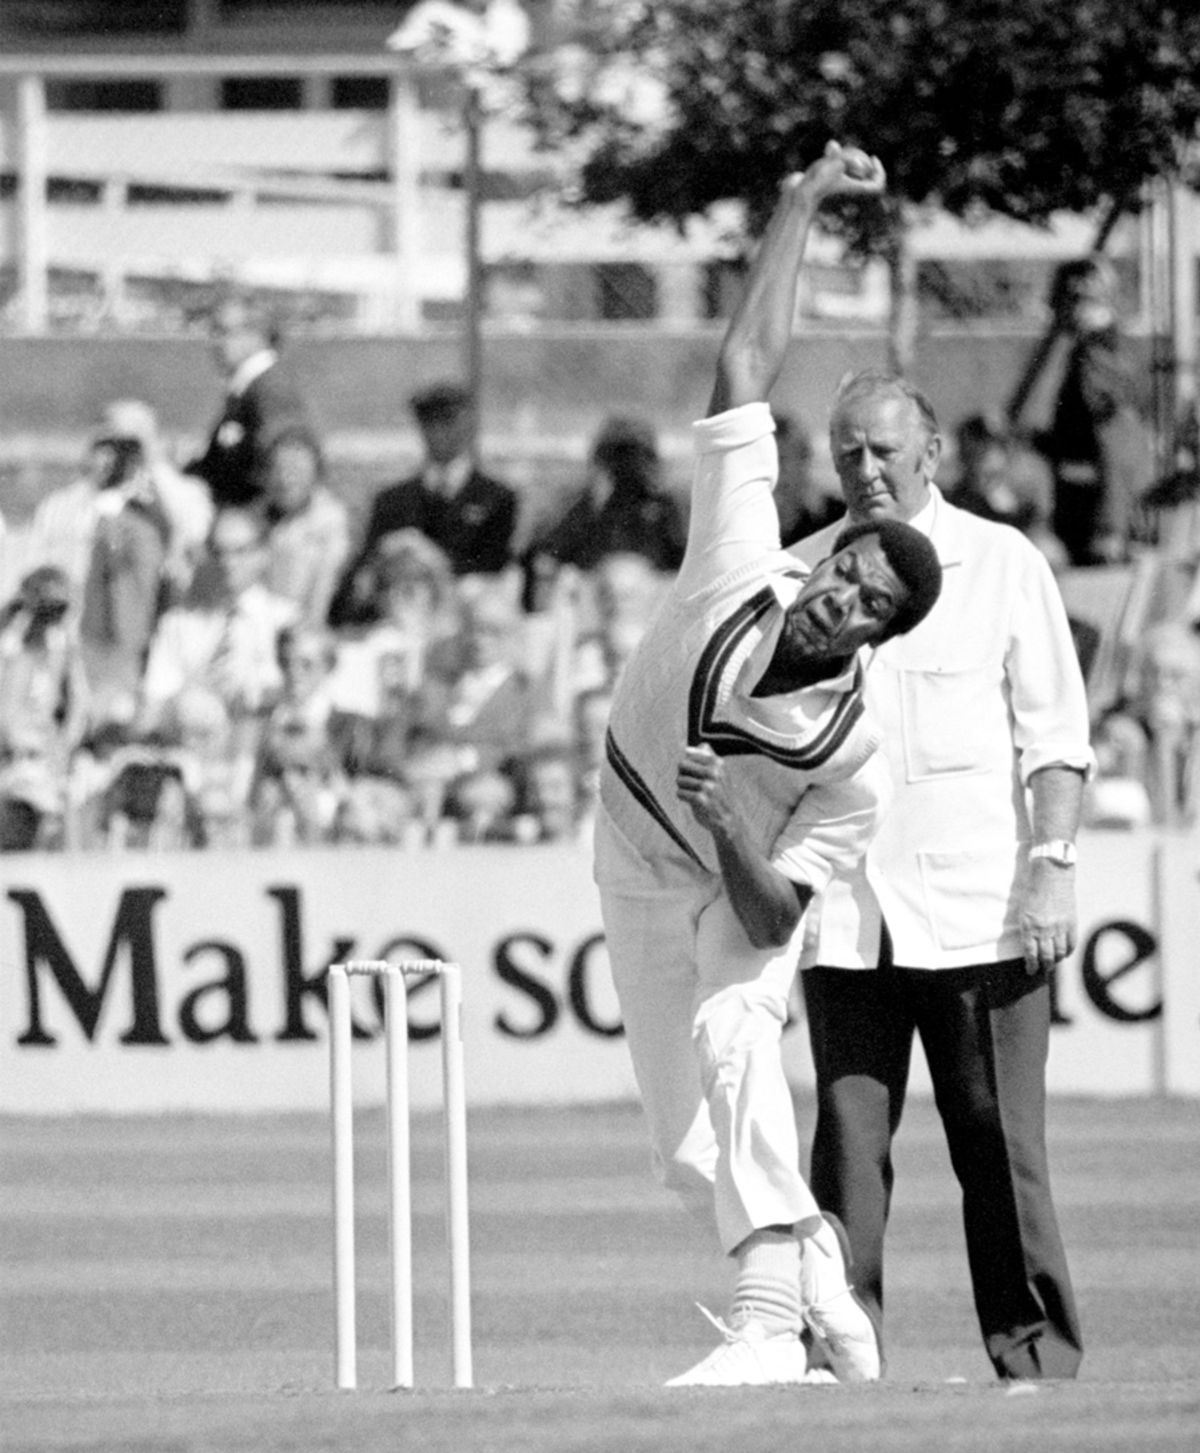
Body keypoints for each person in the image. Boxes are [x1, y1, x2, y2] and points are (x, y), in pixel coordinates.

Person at [593, 143, 943, 1389]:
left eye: (868, 603)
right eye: (850, 564)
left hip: (733, 874)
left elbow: (775, 909)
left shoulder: (852, 755)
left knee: (737, 1024)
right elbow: (747, 363)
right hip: (631, 848)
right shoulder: (746, 554)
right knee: (685, 1147)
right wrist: (796, 202)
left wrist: (733, 824)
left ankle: (764, 1326)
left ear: (877, 637)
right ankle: (819, 1266)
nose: (842, 592)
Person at [789, 377, 1095, 1370]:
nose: (866, 471)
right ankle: (838, 1358)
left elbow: (1055, 740)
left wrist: (1052, 867)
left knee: (1001, 1151)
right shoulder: (799, 571)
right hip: (844, 911)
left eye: (883, 450)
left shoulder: (1004, 562)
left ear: (931, 449)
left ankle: (1035, 1358)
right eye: (848, 455)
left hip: (983, 910)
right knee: (843, 1164)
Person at [326, 382, 518, 625]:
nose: (438, 433)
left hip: (461, 619)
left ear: (467, 427)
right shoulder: (393, 500)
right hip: (397, 616)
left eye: (448, 422)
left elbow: (493, 567)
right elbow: (367, 565)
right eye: (429, 423)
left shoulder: (496, 498)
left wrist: (430, 558)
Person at [1035, 257, 1152, 567]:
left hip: (1094, 513)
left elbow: (1117, 443)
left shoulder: (1097, 358)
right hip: (1098, 504)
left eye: (1058, 301)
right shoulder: (1112, 351)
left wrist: (1110, 526)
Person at [520, 414, 687, 610]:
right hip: (595, 602)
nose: (626, 465)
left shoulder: (662, 505)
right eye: (618, 455)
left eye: (633, 455)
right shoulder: (586, 503)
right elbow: (550, 554)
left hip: (646, 602)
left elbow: (682, 557)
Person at [186, 294, 315, 510]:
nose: (213, 342)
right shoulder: (248, 388)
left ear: (256, 335)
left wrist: (253, 522)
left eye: (222, 331)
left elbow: (288, 473)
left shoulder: (271, 389)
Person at [254, 421, 351, 627]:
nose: (285, 480)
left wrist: (308, 629)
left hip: (305, 625)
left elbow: (323, 590)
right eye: (278, 469)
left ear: (316, 473)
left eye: (296, 470)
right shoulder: (258, 517)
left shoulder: (330, 521)